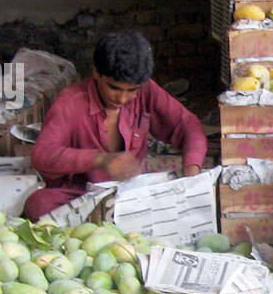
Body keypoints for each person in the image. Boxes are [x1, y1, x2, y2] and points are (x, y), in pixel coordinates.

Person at [24, 31, 207, 221]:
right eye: (114, 88)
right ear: (96, 72)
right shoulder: (70, 101)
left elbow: (188, 125)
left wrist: (192, 172)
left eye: (131, 91)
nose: (122, 98)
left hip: (132, 192)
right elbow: (42, 155)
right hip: (82, 196)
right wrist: (101, 160)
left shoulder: (146, 90)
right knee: (38, 204)